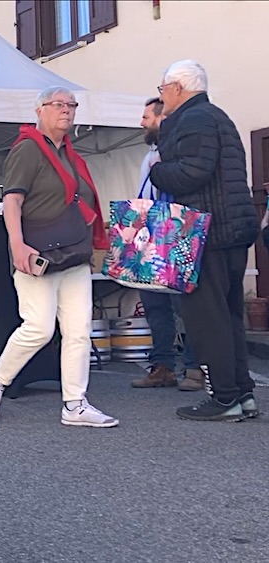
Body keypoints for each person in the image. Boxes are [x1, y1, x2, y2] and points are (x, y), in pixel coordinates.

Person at [0, 86, 119, 428]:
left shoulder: (73, 155)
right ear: (39, 110)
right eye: (59, 104)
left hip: (73, 253)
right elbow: (12, 201)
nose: (67, 110)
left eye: (71, 105)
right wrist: (17, 244)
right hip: (37, 254)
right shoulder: (28, 150)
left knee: (78, 331)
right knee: (39, 328)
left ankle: (75, 404)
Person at [149, 60, 260, 421]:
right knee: (228, 317)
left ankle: (224, 398)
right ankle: (242, 394)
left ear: (179, 88)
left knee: (206, 320)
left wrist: (157, 170)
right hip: (230, 229)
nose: (161, 94)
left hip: (205, 233)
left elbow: (193, 171)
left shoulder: (193, 119)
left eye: (163, 87)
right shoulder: (216, 116)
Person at [131, 97, 205, 391]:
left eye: (146, 117)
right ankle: (163, 366)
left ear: (162, 119)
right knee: (154, 305)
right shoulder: (147, 154)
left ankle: (194, 368)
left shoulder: (176, 151)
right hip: (150, 236)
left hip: (176, 234)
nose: (142, 122)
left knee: (184, 305)